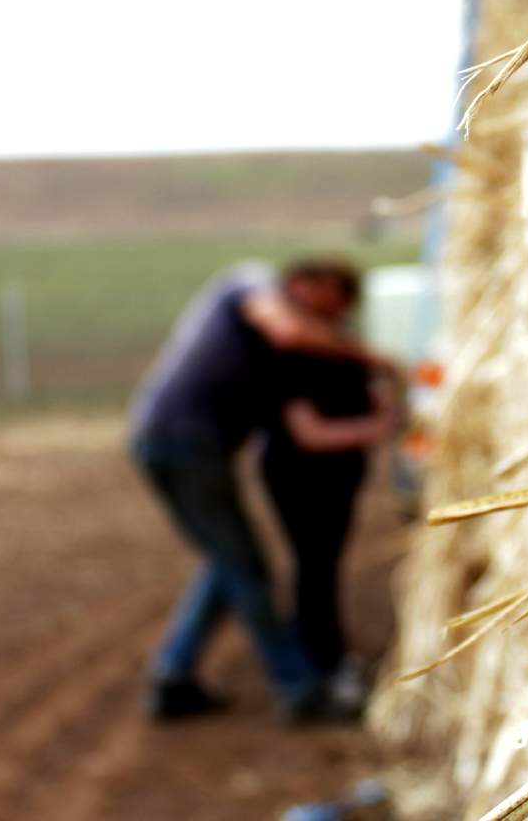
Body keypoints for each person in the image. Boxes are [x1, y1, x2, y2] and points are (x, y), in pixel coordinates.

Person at [127, 258, 393, 723]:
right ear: (304, 283)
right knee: (247, 569)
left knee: (226, 564)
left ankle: (173, 675)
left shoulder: (278, 340)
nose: (332, 318)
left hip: (186, 445)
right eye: (332, 303)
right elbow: (287, 331)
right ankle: (299, 690)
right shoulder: (250, 282)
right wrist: (374, 358)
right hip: (184, 443)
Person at [261, 353, 385, 702]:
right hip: (301, 480)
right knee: (315, 569)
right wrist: (380, 426)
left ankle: (327, 660)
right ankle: (320, 667)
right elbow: (309, 433)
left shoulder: (341, 346)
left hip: (334, 480)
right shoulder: (293, 360)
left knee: (321, 568)